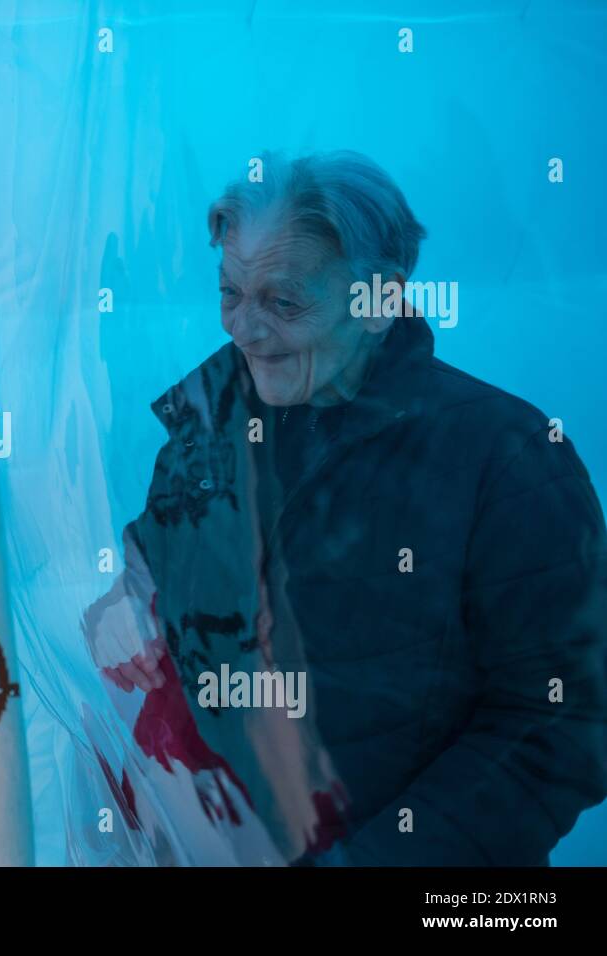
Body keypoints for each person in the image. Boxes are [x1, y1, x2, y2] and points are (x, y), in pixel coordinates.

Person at [85, 151, 607, 865]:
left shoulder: (508, 456)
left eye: (284, 301)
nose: (243, 328)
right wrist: (122, 605)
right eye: (229, 292)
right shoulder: (206, 427)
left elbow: (562, 723)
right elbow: (156, 562)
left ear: (379, 301)